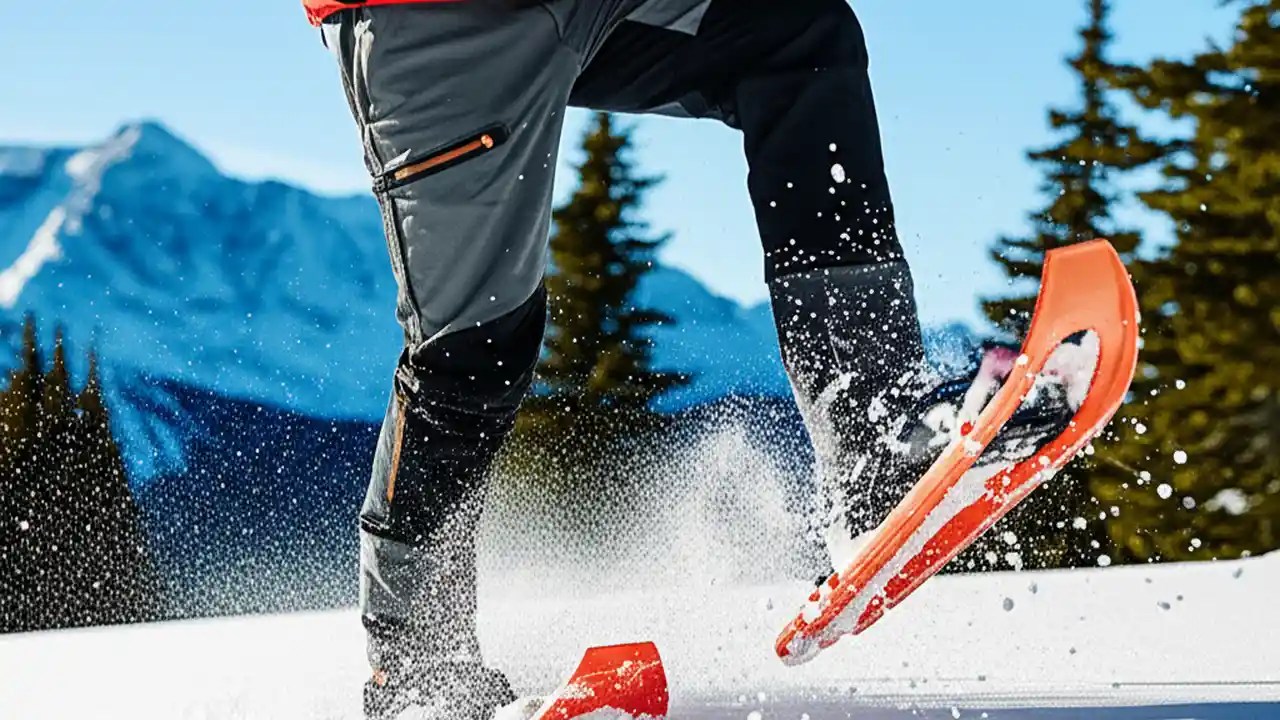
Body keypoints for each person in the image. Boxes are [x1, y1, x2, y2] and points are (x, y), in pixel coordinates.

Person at [304, 1, 1081, 718]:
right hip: (441, 24)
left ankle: (870, 437)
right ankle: (416, 671)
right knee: (473, 353)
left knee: (800, 38)